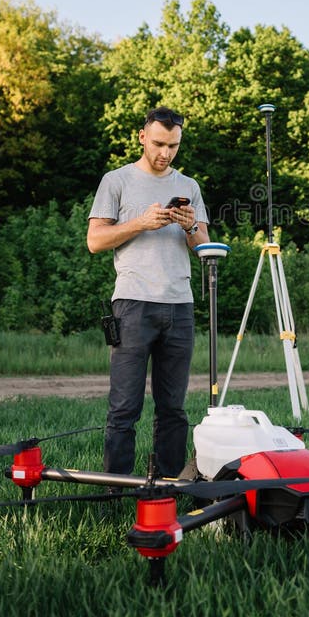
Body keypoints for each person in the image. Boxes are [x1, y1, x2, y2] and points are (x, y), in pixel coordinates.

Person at [87, 106, 209, 477]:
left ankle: (168, 485)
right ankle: (117, 487)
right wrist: (140, 222)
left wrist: (190, 228)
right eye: (158, 143)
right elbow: (95, 240)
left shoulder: (189, 187)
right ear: (142, 137)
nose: (165, 153)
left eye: (173, 146)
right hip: (133, 304)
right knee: (124, 406)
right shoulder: (117, 180)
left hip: (180, 305)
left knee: (173, 407)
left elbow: (204, 246)